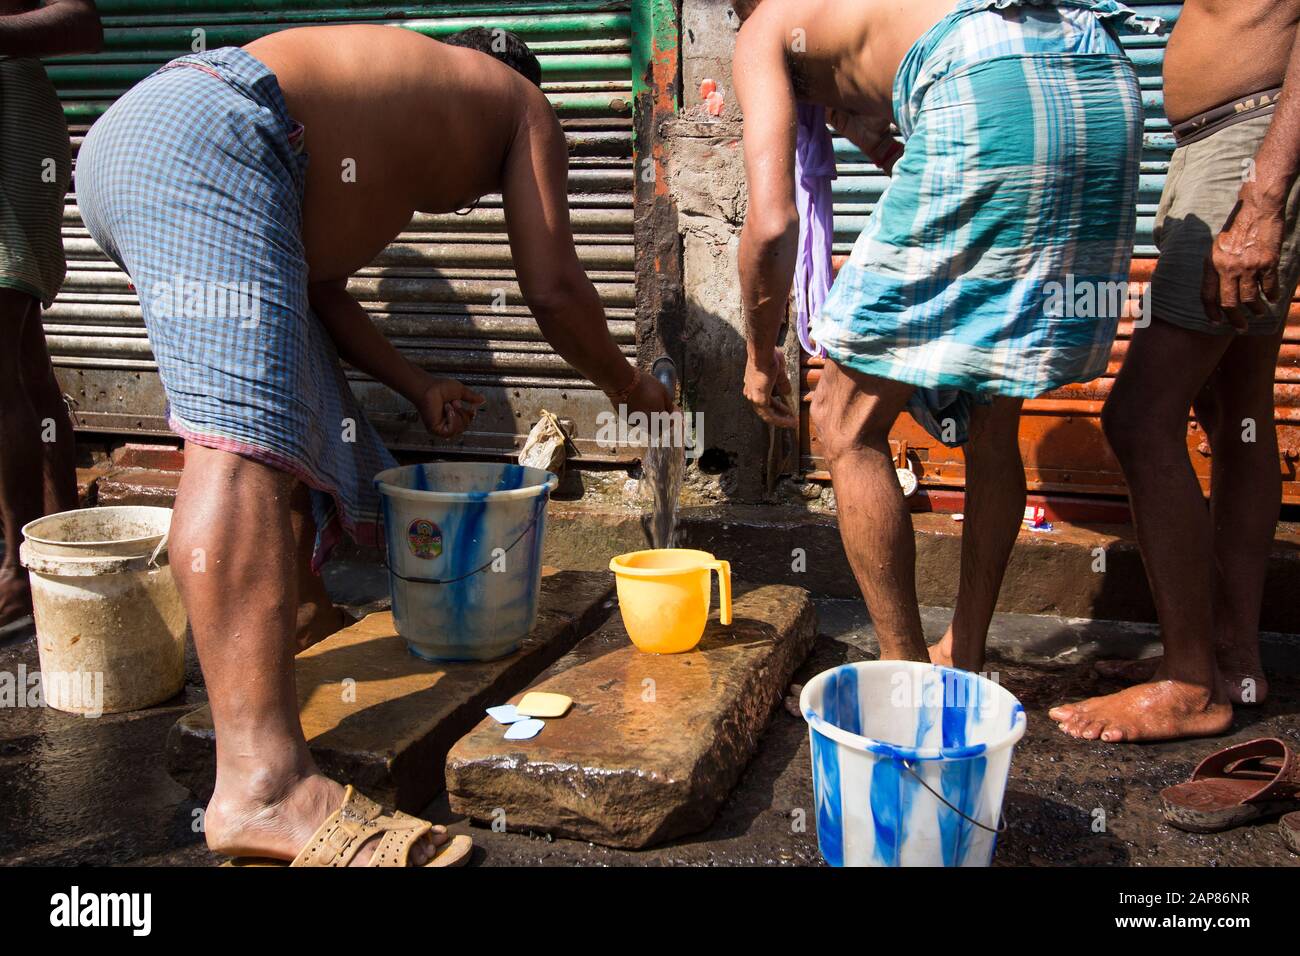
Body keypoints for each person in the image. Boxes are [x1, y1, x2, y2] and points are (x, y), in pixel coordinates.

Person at [75, 24, 672, 866]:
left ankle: (304, 618)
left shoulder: (381, 106)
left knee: (279, 405)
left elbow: (321, 296)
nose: (471, 207)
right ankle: (263, 786)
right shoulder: (520, 101)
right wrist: (632, 388)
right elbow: (557, 287)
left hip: (129, 140)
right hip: (206, 129)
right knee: (237, 443)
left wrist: (417, 387)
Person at [734, 0, 1147, 672]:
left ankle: (908, 681)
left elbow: (773, 226)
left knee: (844, 423)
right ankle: (965, 655)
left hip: (984, 82)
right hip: (1100, 79)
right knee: (992, 415)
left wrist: (758, 355)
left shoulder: (764, 26)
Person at [1052, 0, 1300, 742]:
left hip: (1249, 154)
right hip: (1221, 147)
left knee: (1139, 416)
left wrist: (1261, 197)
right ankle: (1232, 657)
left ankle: (1191, 685)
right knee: (1238, 411)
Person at [0, 0, 102, 637]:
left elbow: (83, 21)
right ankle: (67, 548)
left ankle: (14, 570)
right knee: (23, 360)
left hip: (9, 110)